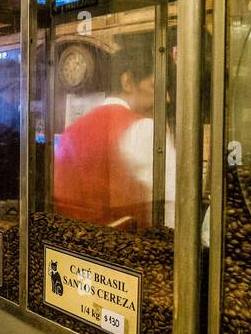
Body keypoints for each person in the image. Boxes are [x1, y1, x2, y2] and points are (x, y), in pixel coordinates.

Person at [51, 38, 176, 231]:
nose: (166, 98)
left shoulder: (71, 133)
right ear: (127, 81)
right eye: (155, 86)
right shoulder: (145, 129)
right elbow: (170, 211)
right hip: (126, 253)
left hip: (72, 252)